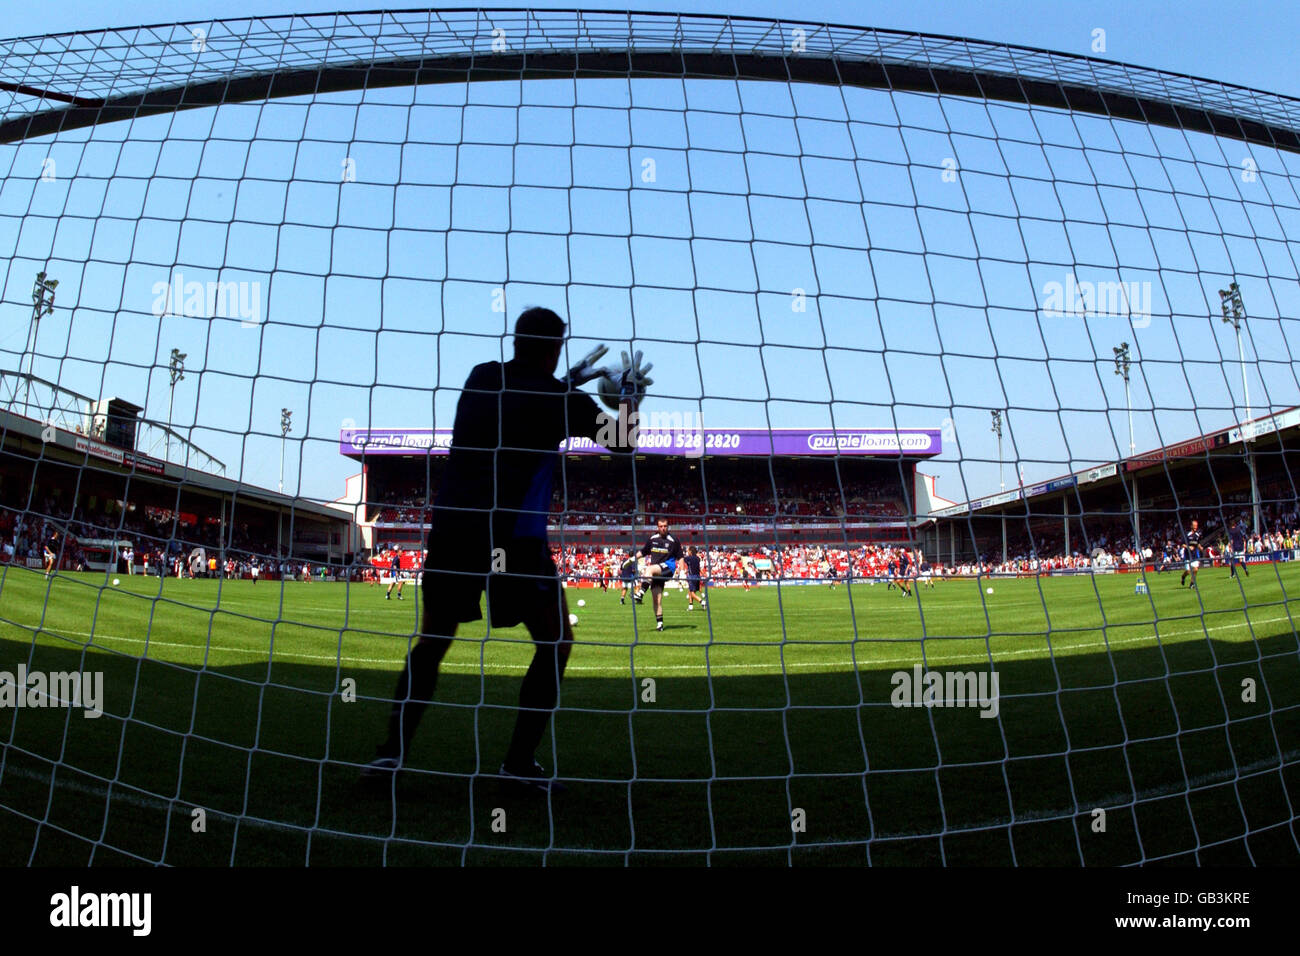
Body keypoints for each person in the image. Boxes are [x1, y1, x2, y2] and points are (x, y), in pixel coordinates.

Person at [364, 307, 647, 789]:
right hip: (514, 539)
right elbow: (624, 443)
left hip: (454, 530)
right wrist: (629, 399)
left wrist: (566, 381)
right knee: (556, 643)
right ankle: (517, 763)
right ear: (556, 346)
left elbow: (524, 396)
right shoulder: (562, 401)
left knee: (432, 643)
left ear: (516, 340)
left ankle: (389, 756)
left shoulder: (481, 379)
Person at [639, 517, 682, 631]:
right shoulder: (652, 539)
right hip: (657, 573)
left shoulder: (673, 540)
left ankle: (641, 593)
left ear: (668, 527)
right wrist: (631, 559)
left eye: (665, 526)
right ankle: (660, 624)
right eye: (661, 526)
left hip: (668, 568)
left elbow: (680, 557)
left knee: (649, 569)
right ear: (657, 528)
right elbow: (643, 552)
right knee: (656, 599)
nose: (663, 528)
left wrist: (681, 571)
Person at [1181, 519, 1202, 590]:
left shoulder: (1197, 535)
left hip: (1194, 555)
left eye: (1196, 526)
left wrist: (1200, 547)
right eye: (1194, 526)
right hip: (1187, 556)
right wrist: (1188, 547)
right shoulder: (1187, 534)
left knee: (1195, 569)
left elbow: (1197, 543)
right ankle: (1183, 577)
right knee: (1188, 571)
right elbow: (1182, 545)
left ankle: (1192, 584)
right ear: (1191, 526)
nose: (1196, 527)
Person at [684, 545, 706, 610]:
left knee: (691, 592)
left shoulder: (688, 558)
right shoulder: (697, 558)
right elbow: (696, 567)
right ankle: (690, 605)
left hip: (692, 576)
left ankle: (702, 601)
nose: (687, 552)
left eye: (688, 550)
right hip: (697, 576)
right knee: (691, 591)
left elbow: (683, 559)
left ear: (690, 551)